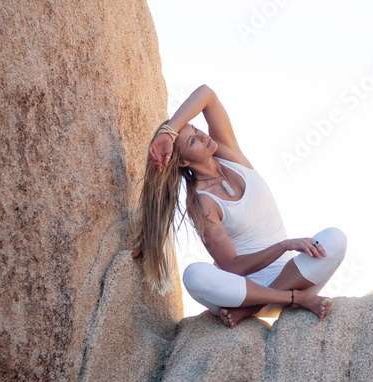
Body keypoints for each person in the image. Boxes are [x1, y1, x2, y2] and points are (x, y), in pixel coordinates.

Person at [130, 84, 347, 328]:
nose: (203, 136)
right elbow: (232, 266)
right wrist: (285, 245)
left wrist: (169, 132)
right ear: (182, 161)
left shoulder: (228, 154)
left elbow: (207, 94)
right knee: (194, 275)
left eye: (197, 129)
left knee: (335, 238)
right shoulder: (202, 203)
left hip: (294, 275)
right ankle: (292, 300)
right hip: (241, 290)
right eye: (193, 141)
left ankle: (253, 310)